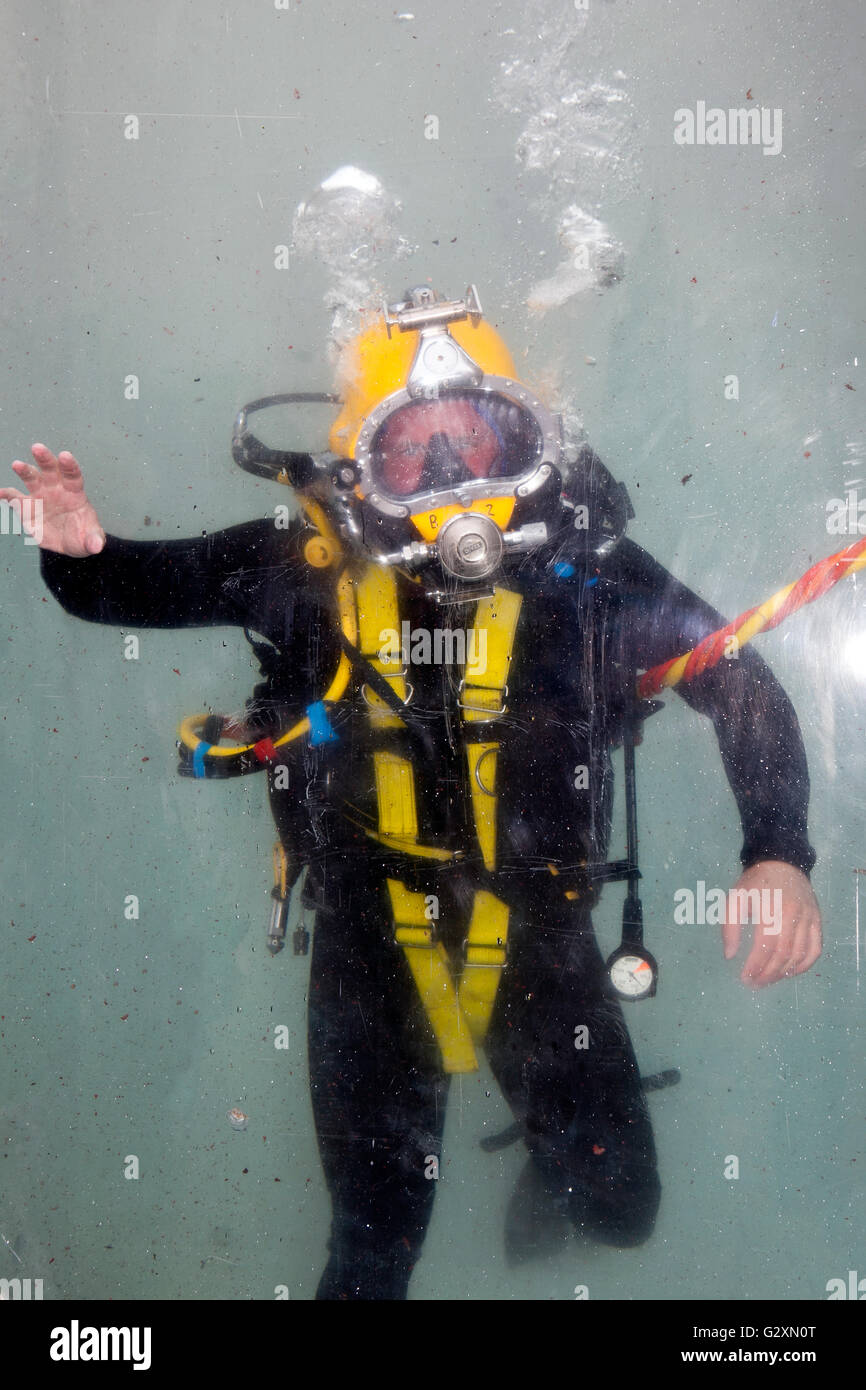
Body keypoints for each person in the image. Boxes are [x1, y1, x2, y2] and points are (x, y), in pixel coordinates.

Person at [4, 284, 822, 1300]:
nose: (447, 478)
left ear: (523, 443)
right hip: (368, 958)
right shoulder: (303, 564)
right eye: (409, 449)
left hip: (544, 946)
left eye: (473, 441)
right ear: (360, 462)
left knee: (620, 1213)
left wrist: (776, 849)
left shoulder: (582, 567)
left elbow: (734, 679)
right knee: (369, 1257)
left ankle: (536, 1178)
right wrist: (75, 550)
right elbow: (129, 586)